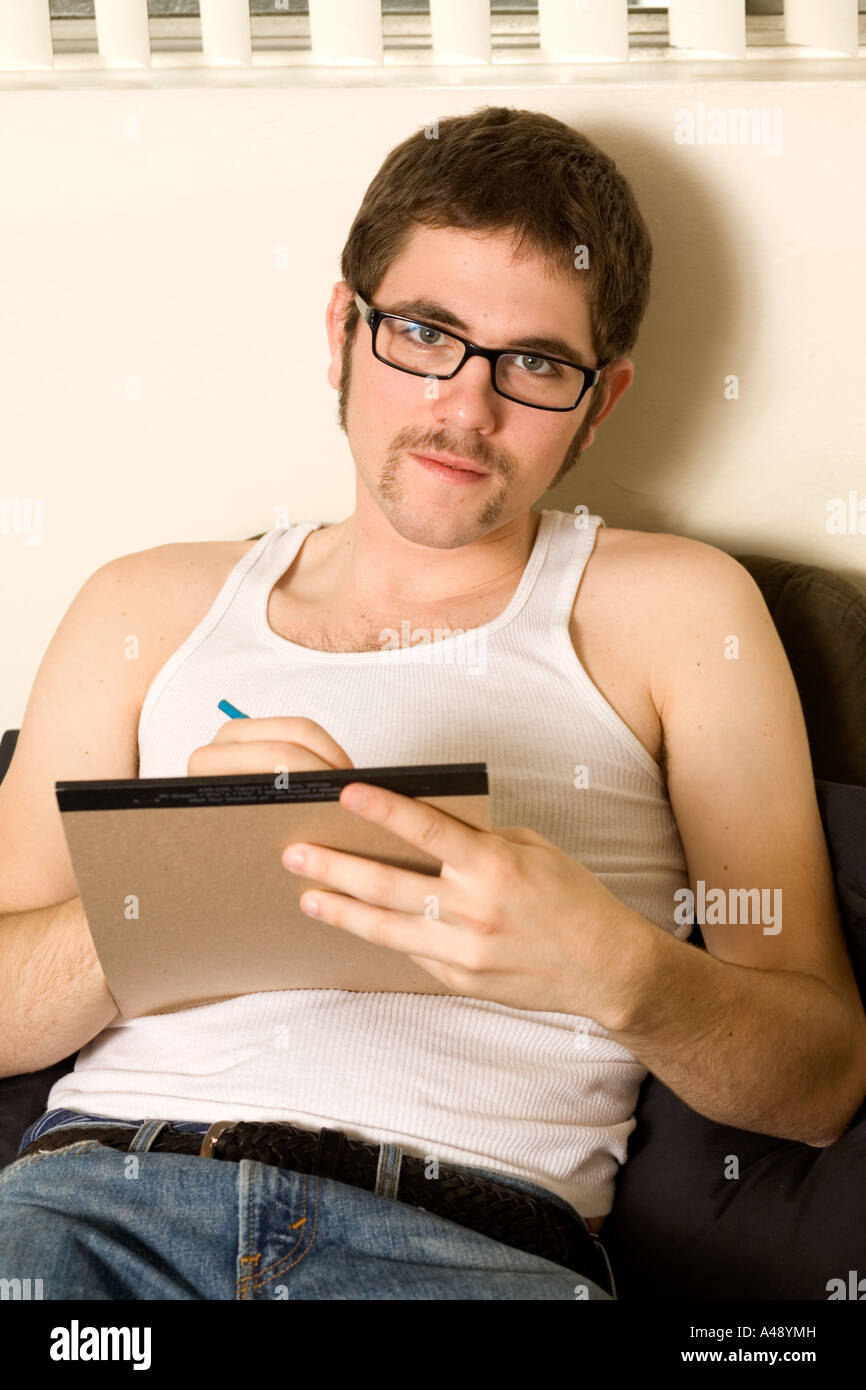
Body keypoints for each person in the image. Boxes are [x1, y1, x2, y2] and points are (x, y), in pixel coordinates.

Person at [1, 105, 864, 1302]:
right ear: (341, 333)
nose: (465, 407)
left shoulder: (679, 610)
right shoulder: (142, 602)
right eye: (423, 333)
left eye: (534, 363)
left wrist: (616, 970)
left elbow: (818, 1080)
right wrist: (181, 881)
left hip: (461, 1248)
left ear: (599, 400)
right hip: (92, 1210)